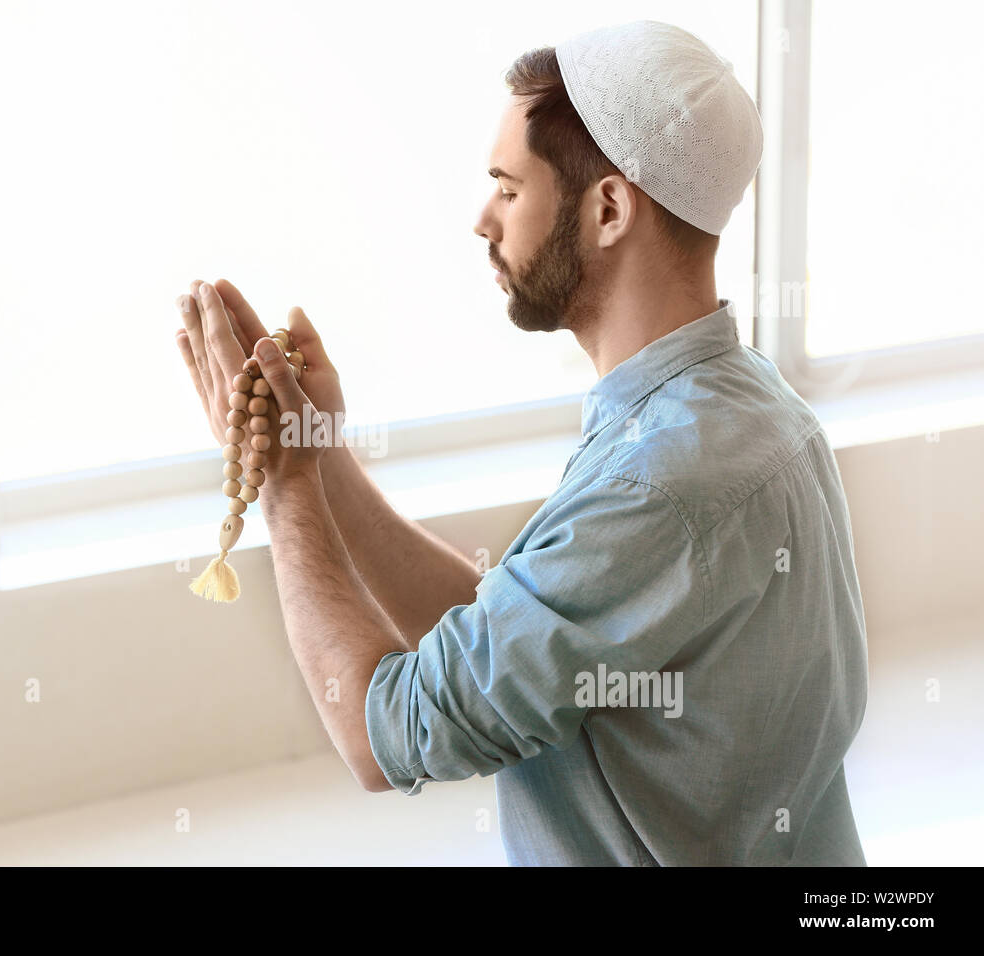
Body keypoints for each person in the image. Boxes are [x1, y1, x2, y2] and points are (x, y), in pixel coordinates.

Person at [173, 20, 867, 866]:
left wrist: (282, 489)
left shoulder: (658, 485)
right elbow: (514, 640)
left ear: (609, 208)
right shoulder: (750, 411)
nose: (481, 220)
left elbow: (381, 734)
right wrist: (317, 449)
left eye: (508, 187)